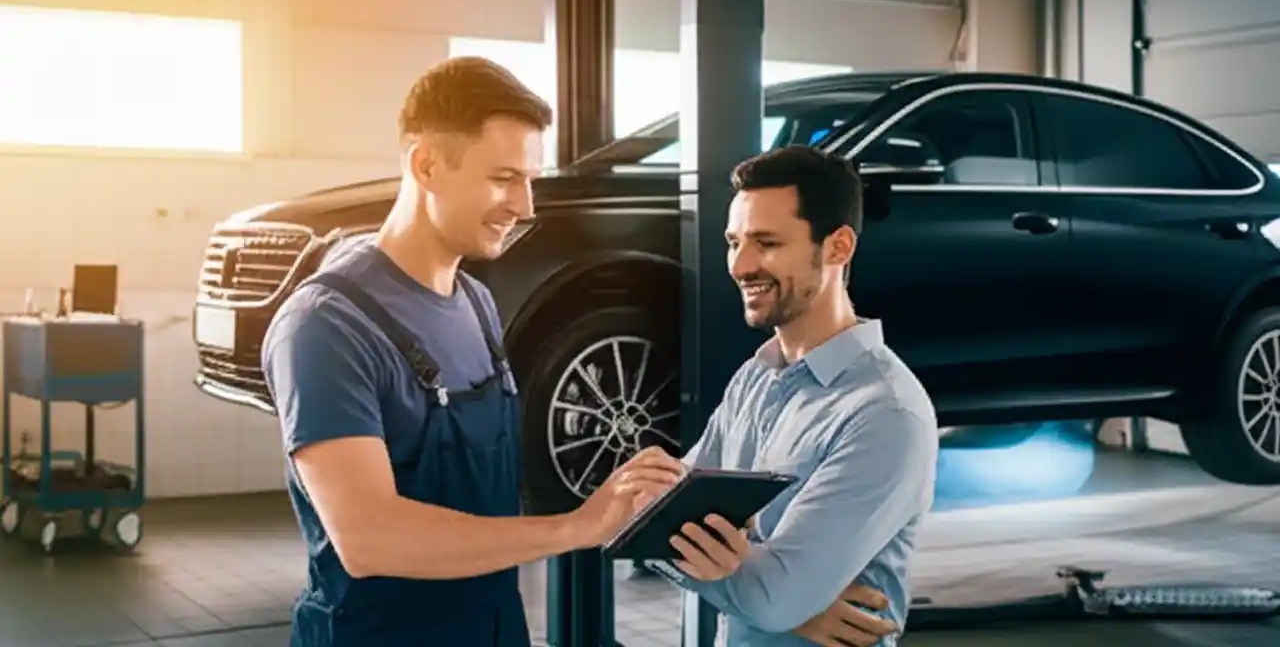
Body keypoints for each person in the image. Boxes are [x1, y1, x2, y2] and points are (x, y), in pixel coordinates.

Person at [261, 56, 684, 646]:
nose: (526, 205)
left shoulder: (478, 304)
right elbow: (367, 538)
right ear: (427, 165)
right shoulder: (326, 327)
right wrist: (574, 528)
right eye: (504, 178)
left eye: (529, 179)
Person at [651, 145, 939, 646]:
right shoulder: (755, 379)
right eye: (733, 241)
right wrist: (794, 609)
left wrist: (776, 598)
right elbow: (651, 531)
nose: (740, 265)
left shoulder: (884, 413)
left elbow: (775, 597)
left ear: (838, 247)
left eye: (766, 242)